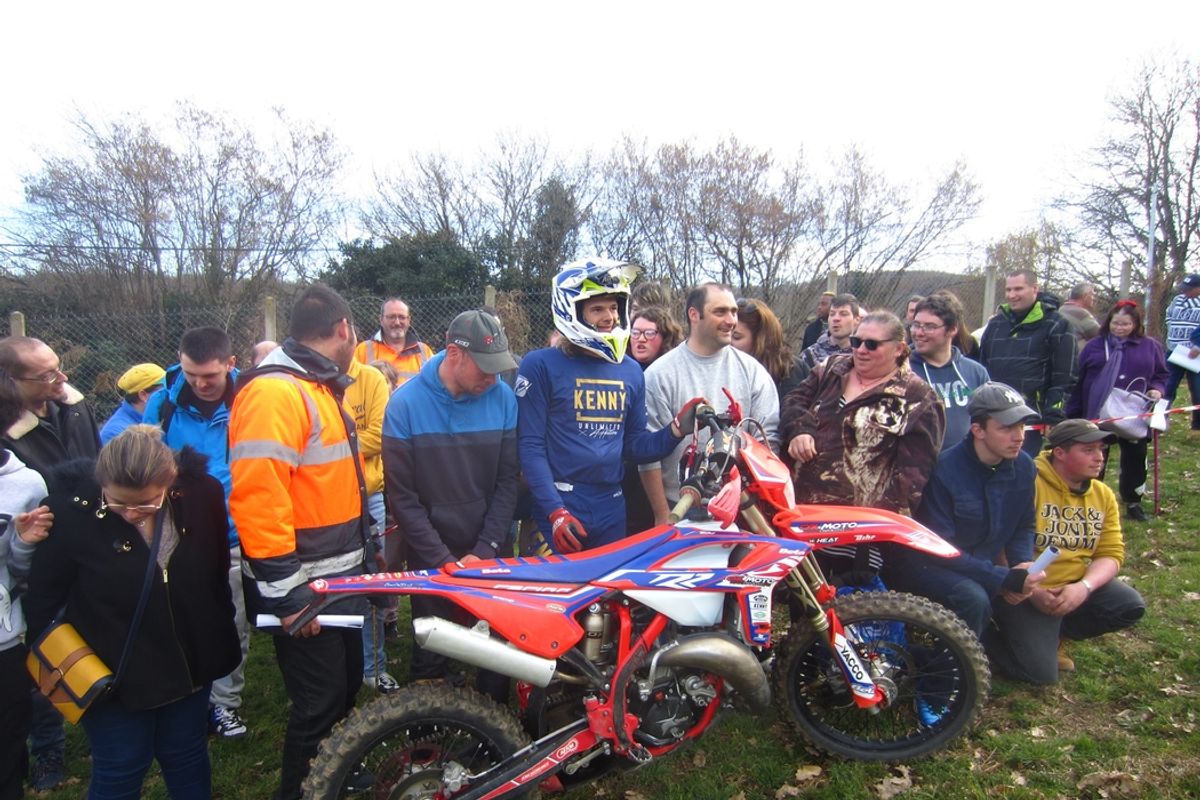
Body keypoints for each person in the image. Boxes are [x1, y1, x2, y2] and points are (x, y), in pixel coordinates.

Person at [25, 425, 240, 799]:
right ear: (100, 481)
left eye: (147, 503)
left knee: (187, 756)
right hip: (112, 674)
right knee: (121, 765)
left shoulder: (202, 495)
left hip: (188, 662)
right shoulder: (68, 513)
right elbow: (43, 599)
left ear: (172, 480)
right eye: (118, 503)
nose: (131, 514)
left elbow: (215, 573)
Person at [228, 285, 370, 800]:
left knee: (344, 691)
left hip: (332, 583)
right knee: (318, 707)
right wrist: (288, 596)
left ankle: (335, 779)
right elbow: (258, 502)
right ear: (344, 329)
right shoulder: (276, 393)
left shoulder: (314, 385)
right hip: (304, 590)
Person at [517, 259, 699, 553]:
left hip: (611, 506)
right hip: (561, 503)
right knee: (557, 597)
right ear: (573, 310)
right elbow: (530, 446)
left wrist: (675, 430)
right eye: (598, 308)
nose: (609, 317)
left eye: (614, 307)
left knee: (610, 597)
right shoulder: (540, 365)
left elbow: (635, 446)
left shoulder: (629, 370)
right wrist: (554, 512)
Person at [383, 309, 520, 698]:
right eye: (485, 368)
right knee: (433, 646)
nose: (493, 378)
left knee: (499, 647)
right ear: (453, 354)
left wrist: (485, 548)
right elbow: (402, 498)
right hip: (431, 552)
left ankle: (497, 736)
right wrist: (441, 558)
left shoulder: (504, 399)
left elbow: (508, 481)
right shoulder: (404, 405)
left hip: (489, 549)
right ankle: (425, 737)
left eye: (499, 368)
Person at [0, 336, 99, 791]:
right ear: (10, 383)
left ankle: (100, 724)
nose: (59, 379)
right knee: (42, 645)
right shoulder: (9, 431)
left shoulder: (73, 405)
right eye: (44, 376)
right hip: (38, 547)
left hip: (87, 532)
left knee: (94, 634)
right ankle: (48, 748)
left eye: (58, 368)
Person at [142, 327, 249, 739]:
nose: (201, 384)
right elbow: (146, 464)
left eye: (211, 375)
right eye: (191, 375)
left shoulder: (252, 400)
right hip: (179, 533)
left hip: (238, 533)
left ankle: (224, 704)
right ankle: (183, 695)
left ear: (230, 364)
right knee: (178, 617)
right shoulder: (162, 405)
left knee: (232, 618)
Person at [987, 419, 1146, 684]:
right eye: (1089, 450)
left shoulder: (1103, 494)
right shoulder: (1027, 480)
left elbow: (1111, 553)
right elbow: (996, 544)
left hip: (1069, 586)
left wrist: (1083, 587)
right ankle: (986, 638)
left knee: (1129, 605)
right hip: (1021, 589)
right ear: (1059, 453)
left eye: (1101, 450)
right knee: (1039, 676)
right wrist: (1032, 591)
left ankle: (1055, 635)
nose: (1099, 458)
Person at [890, 382, 1043, 637]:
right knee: (973, 599)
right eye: (1006, 428)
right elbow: (941, 550)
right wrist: (1001, 578)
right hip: (932, 566)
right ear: (977, 430)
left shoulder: (1024, 466)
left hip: (985, 566)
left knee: (1036, 664)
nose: (1019, 436)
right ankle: (953, 673)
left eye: (1021, 426)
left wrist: (1021, 566)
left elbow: (1023, 523)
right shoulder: (943, 470)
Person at [782, 310, 945, 517]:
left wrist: (882, 522)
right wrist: (799, 429)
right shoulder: (831, 369)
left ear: (898, 349)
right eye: (856, 341)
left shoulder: (918, 398)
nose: (860, 350)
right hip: (798, 510)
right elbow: (794, 400)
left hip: (859, 525)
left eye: (872, 344)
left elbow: (911, 479)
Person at [642, 283, 779, 525]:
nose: (731, 320)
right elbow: (648, 456)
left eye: (734, 312)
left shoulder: (752, 372)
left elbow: (767, 441)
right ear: (694, 315)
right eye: (720, 312)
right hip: (680, 512)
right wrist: (662, 515)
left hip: (740, 511)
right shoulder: (659, 374)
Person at [1065, 300, 1167, 522]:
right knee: (1094, 456)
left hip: (1134, 413)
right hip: (1097, 410)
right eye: (1115, 323)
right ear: (1108, 322)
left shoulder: (1150, 347)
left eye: (1125, 324)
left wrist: (1157, 390)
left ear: (1136, 324)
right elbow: (1077, 379)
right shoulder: (1094, 346)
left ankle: (1133, 502)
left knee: (1135, 458)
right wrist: (1072, 413)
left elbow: (1161, 375)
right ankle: (1089, 500)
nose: (1119, 328)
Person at [0, 370, 52, 800]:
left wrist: (22, 542)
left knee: (9, 738)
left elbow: (20, 571)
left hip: (4, 637)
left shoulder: (25, 484)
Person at [979, 268, 1077, 455]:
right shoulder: (996, 324)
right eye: (1008, 290)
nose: (1012, 295)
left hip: (1030, 418)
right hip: (994, 415)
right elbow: (982, 366)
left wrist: (1053, 416)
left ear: (1035, 289)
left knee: (1020, 472)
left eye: (1018, 289)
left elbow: (1065, 376)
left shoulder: (1057, 325)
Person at [342, 357, 394, 693]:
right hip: (325, 498)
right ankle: (342, 669)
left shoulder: (370, 378)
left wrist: (328, 444)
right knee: (337, 585)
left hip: (370, 493)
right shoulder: (305, 380)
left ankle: (374, 667)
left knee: (374, 583)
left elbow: (379, 436)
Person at [624, 306, 684, 534]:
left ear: (665, 336)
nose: (640, 340)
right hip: (628, 477)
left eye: (649, 334)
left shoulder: (670, 374)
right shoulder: (622, 371)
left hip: (665, 477)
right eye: (635, 332)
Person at [909, 291, 990, 451]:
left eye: (930, 327)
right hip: (917, 469)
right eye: (916, 324)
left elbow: (988, 422)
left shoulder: (975, 372)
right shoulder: (901, 370)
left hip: (963, 467)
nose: (919, 332)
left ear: (952, 329)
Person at [733, 297, 806, 401]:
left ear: (760, 339)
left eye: (736, 337)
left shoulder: (795, 370)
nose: (728, 344)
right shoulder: (727, 370)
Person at [354, 297, 434, 385]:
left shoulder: (424, 351)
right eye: (391, 317)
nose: (397, 322)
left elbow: (434, 386)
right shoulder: (363, 350)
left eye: (402, 317)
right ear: (381, 319)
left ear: (409, 320)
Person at [793, 294, 861, 384]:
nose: (836, 318)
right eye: (832, 314)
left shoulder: (864, 353)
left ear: (856, 320)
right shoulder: (809, 355)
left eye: (843, 314)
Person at [1163, 273, 1200, 432]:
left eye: (1189, 289)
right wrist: (1173, 330)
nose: (1185, 292)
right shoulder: (1177, 300)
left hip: (1195, 355)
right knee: (1166, 387)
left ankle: (1197, 427)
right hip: (1175, 351)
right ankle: (1159, 421)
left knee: (1197, 390)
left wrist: (1198, 346)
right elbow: (1169, 315)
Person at [99, 363, 166, 445]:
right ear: (143, 395)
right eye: (164, 390)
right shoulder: (116, 434)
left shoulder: (154, 418)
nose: (169, 394)